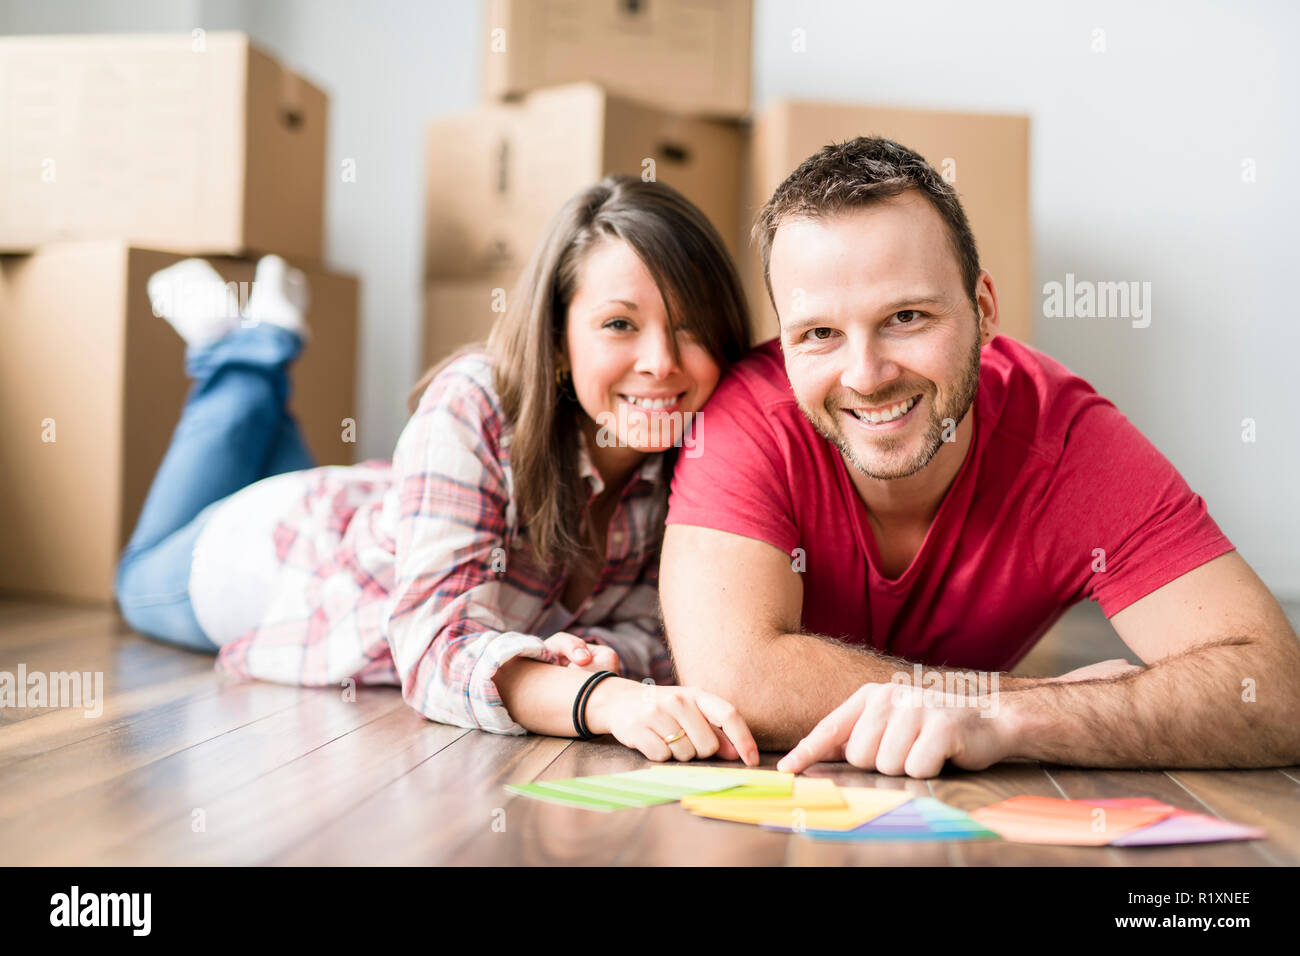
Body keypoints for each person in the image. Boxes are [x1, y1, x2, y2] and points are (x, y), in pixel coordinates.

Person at [660, 137, 1300, 778]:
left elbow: (1274, 690)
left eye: (906, 316)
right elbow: (736, 675)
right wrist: (1008, 700)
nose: (866, 375)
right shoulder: (748, 418)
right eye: (819, 334)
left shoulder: (1065, 442)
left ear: (983, 310)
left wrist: (1007, 721)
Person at [115, 175, 760, 766]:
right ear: (560, 341)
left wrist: (591, 655)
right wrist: (597, 696)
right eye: (619, 324)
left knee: (277, 445)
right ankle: (243, 352)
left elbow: (669, 637)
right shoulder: (477, 399)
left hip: (367, 508)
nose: (661, 362)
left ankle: (256, 348)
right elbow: (435, 651)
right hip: (272, 558)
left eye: (691, 328)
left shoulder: (708, 453)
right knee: (133, 578)